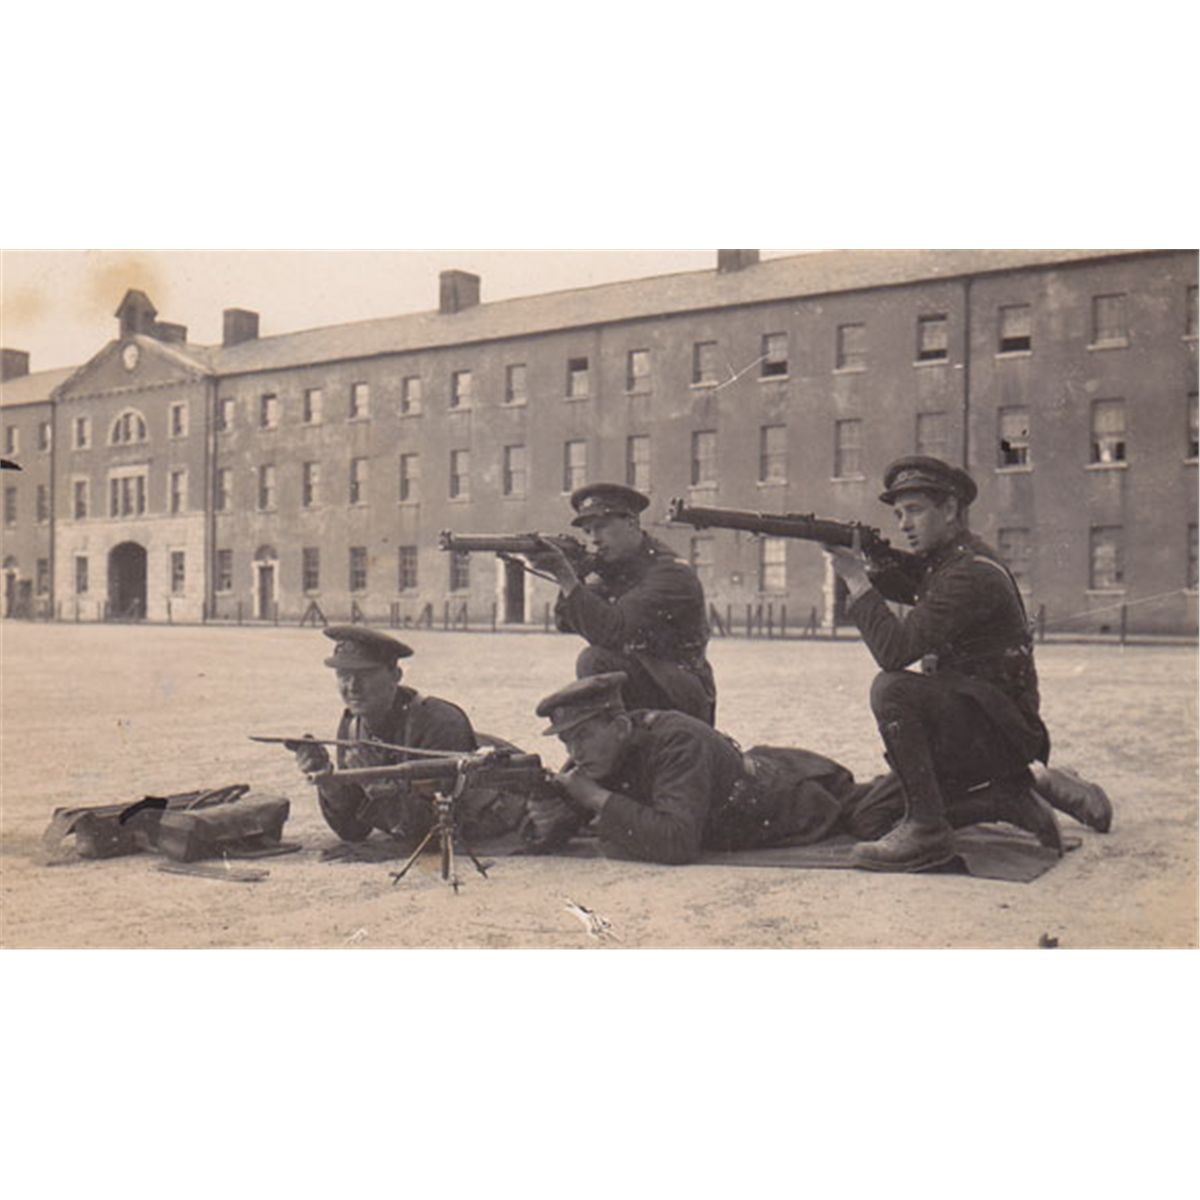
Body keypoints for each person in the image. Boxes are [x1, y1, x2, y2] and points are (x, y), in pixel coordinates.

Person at [824, 456, 1112, 873]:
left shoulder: (970, 573)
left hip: (999, 734)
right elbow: (901, 580)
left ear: (951, 510)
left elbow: (894, 650)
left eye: (916, 510)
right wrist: (859, 555)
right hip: (969, 727)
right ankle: (1013, 794)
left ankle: (927, 828)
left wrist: (854, 577)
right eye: (900, 513)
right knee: (869, 819)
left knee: (892, 687)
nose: (904, 524)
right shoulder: (943, 565)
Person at [525, 672, 874, 865]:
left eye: (582, 736)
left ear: (618, 726)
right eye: (566, 740)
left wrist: (598, 799)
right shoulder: (598, 750)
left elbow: (678, 843)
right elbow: (567, 815)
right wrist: (551, 818)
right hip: (741, 783)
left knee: (874, 813)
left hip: (790, 802)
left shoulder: (676, 741)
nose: (574, 751)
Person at [290, 625, 522, 845]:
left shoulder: (440, 722)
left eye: (365, 674)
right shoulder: (353, 725)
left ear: (396, 675)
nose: (352, 686)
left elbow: (434, 831)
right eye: (344, 675)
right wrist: (330, 784)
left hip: (510, 812)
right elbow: (353, 830)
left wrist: (377, 786)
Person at [525, 483, 717, 724]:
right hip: (643, 683)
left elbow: (613, 631)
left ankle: (615, 741)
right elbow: (565, 622)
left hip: (681, 692)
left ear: (632, 522)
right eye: (588, 531)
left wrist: (566, 576)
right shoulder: (613, 566)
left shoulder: (669, 572)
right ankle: (610, 742)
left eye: (602, 527)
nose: (594, 539)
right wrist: (576, 574)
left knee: (595, 659)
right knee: (597, 661)